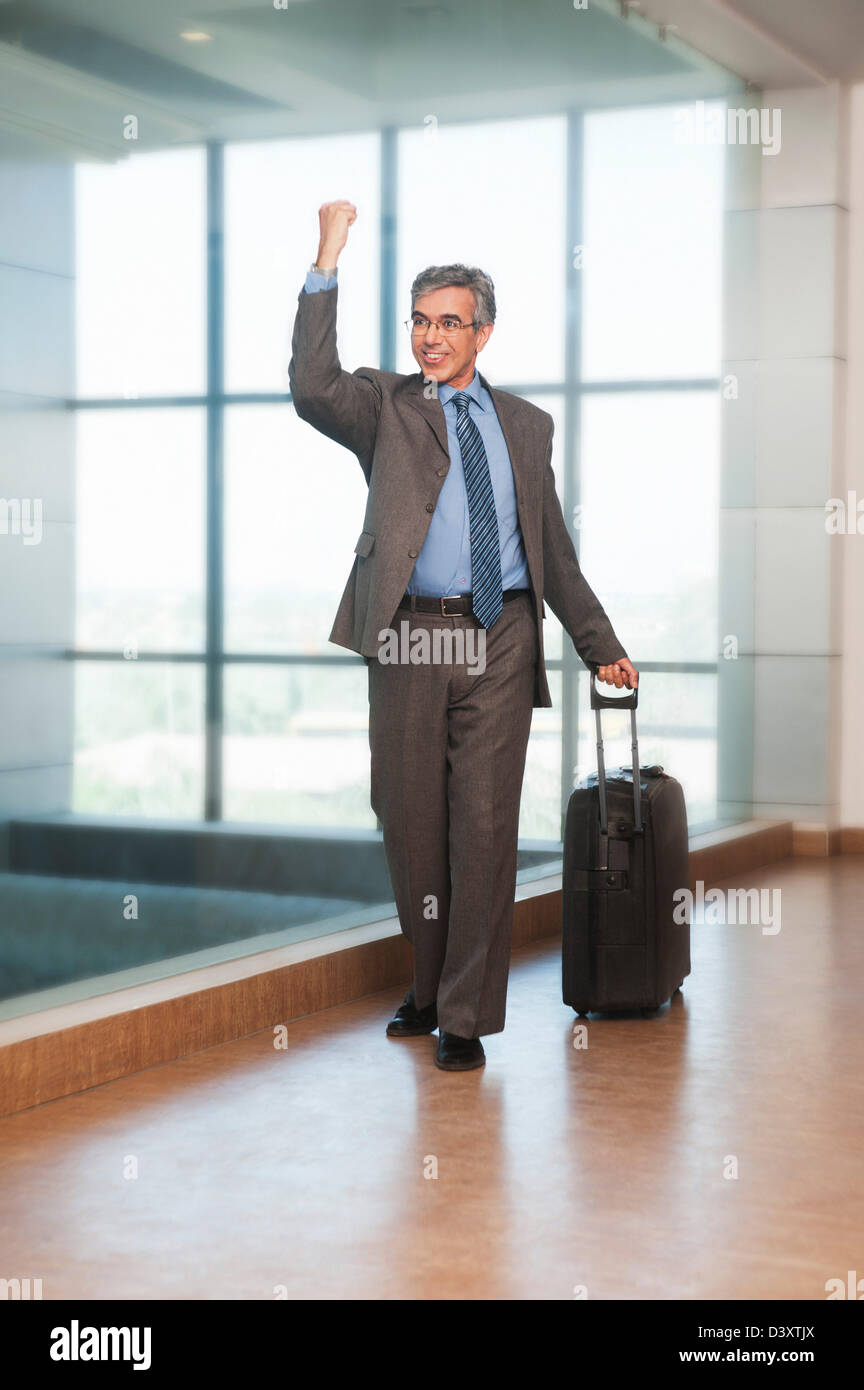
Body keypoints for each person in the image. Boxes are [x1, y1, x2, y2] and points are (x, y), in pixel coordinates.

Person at [289, 200, 638, 1072]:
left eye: (449, 323)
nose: (431, 338)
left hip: (502, 633)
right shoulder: (383, 406)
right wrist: (327, 256)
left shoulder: (526, 425)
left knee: (483, 826)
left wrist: (600, 644)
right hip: (412, 637)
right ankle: (428, 981)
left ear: (483, 332)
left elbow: (549, 546)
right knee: (409, 821)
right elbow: (308, 384)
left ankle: (466, 1019)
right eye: (420, 321)